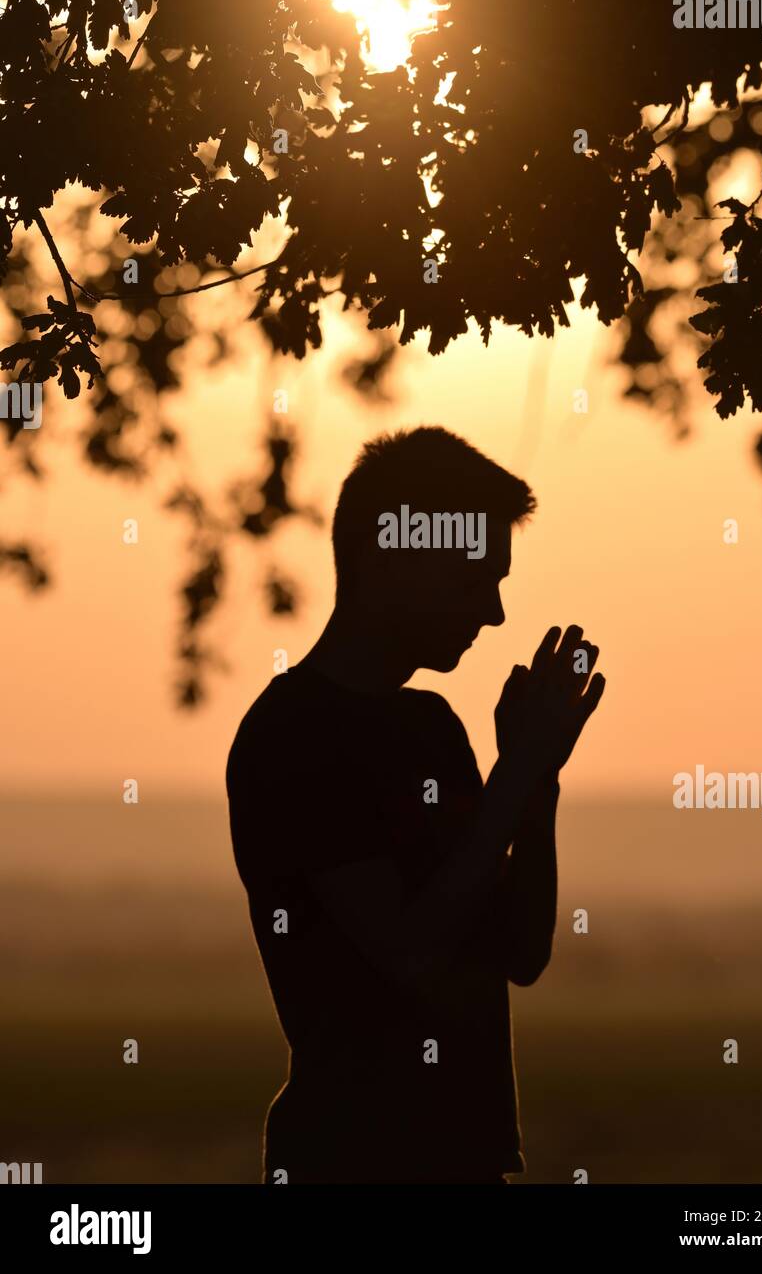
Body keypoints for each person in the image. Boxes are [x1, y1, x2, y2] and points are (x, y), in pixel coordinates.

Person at [226, 426, 605, 1184]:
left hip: (469, 1161)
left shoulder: (432, 728)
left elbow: (522, 952)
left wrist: (538, 783)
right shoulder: (293, 734)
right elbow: (406, 949)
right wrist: (515, 776)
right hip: (352, 1161)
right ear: (391, 565)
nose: (494, 613)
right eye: (474, 584)